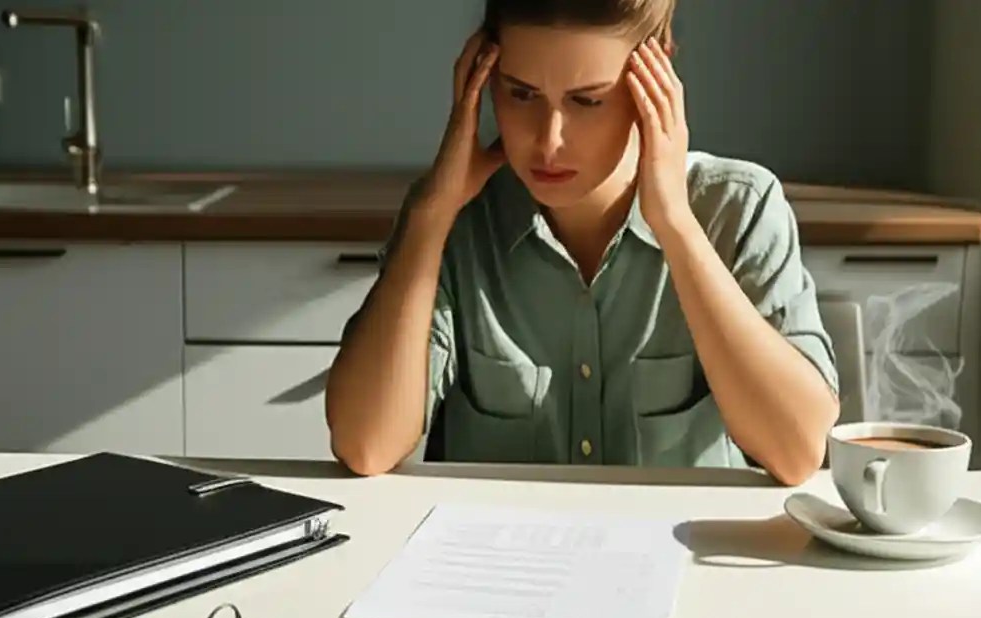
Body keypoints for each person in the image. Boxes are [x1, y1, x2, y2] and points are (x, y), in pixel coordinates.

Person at [326, 0, 840, 485]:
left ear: (654, 81)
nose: (549, 140)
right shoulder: (454, 220)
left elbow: (796, 452)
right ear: (480, 82)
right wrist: (430, 217)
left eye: (588, 100)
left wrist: (677, 226)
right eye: (521, 94)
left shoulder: (737, 208)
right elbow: (367, 445)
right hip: (497, 569)